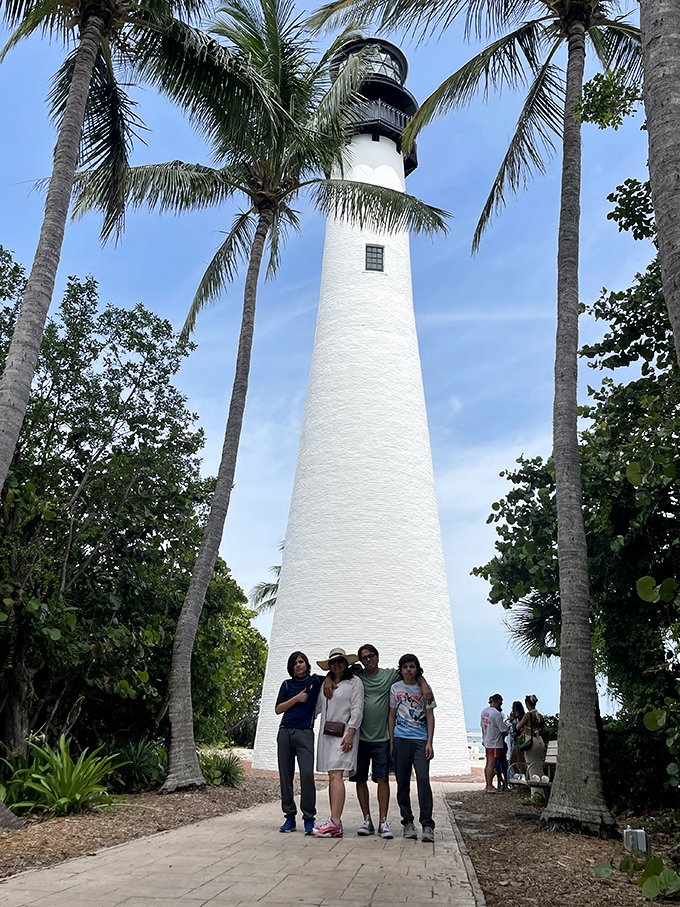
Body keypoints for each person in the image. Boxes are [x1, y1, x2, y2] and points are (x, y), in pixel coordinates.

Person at [347, 643, 433, 841]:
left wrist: (424, 682)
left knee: (384, 779)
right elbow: (338, 675)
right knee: (361, 780)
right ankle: (368, 819)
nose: (368, 660)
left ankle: (384, 821)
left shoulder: (390, 676)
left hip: (384, 737)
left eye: (371, 656)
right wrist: (327, 679)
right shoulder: (358, 677)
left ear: (377, 656)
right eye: (364, 657)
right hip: (363, 737)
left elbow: (410, 672)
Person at [313, 647, 364, 838]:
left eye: (340, 661)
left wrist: (351, 733)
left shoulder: (354, 682)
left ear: (346, 663)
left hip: (344, 735)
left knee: (336, 775)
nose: (337, 665)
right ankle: (335, 820)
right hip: (327, 735)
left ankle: (335, 823)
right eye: (333, 662)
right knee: (332, 776)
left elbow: (357, 708)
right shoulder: (326, 683)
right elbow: (318, 706)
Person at [274, 651, 324, 834]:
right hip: (285, 731)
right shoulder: (287, 685)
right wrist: (296, 699)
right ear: (291, 667)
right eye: (294, 663)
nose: (298, 665)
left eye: (301, 662)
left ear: (306, 663)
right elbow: (278, 709)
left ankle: (309, 818)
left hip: (305, 732)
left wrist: (355, 668)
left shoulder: (316, 681)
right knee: (285, 776)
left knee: (306, 775)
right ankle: (289, 817)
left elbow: (337, 675)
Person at [388, 654, 436, 843]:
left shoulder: (425, 689)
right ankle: (407, 821)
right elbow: (391, 715)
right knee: (402, 782)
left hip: (420, 740)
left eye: (412, 666)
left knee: (423, 780)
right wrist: (391, 741)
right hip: (401, 739)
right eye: (405, 666)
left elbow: (430, 716)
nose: (409, 670)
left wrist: (429, 742)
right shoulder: (395, 688)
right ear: (400, 669)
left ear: (417, 669)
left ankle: (427, 825)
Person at [516, 694, 546, 795]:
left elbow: (518, 727)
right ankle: (542, 791)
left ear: (527, 704)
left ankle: (536, 793)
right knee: (539, 766)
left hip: (531, 742)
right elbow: (543, 732)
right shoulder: (540, 716)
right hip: (540, 742)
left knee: (532, 768)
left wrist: (517, 722)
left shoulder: (528, 715)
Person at [480, 693, 506, 793]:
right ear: (498, 701)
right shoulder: (496, 714)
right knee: (492, 764)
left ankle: (488, 785)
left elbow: (482, 725)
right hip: (495, 741)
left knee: (488, 764)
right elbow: (502, 729)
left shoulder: (484, 712)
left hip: (487, 740)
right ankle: (490, 786)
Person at [506, 700, 526, 779]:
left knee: (519, 760)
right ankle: (517, 776)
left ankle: (522, 777)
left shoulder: (521, 717)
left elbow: (524, 728)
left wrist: (520, 736)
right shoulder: (516, 718)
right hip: (514, 741)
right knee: (512, 760)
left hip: (518, 741)